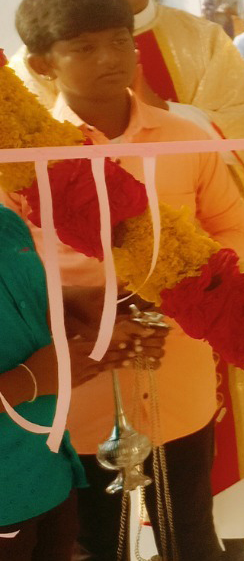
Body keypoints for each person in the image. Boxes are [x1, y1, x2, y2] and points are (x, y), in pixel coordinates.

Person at [14, 0, 244, 559]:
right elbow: (13, 267)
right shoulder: (25, 157)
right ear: (44, 66)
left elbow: (233, 228)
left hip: (178, 370)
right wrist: (83, 311)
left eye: (119, 42)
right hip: (75, 387)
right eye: (84, 48)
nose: (109, 58)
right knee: (95, 544)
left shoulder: (185, 138)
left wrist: (185, 291)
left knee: (189, 534)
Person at [18, 0, 244, 199]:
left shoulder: (203, 39)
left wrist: (163, 112)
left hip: (199, 211)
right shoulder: (45, 57)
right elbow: (28, 162)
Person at [0, 201, 156, 561]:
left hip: (49, 476)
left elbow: (26, 307)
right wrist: (29, 381)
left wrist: (79, 309)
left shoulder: (7, 222)